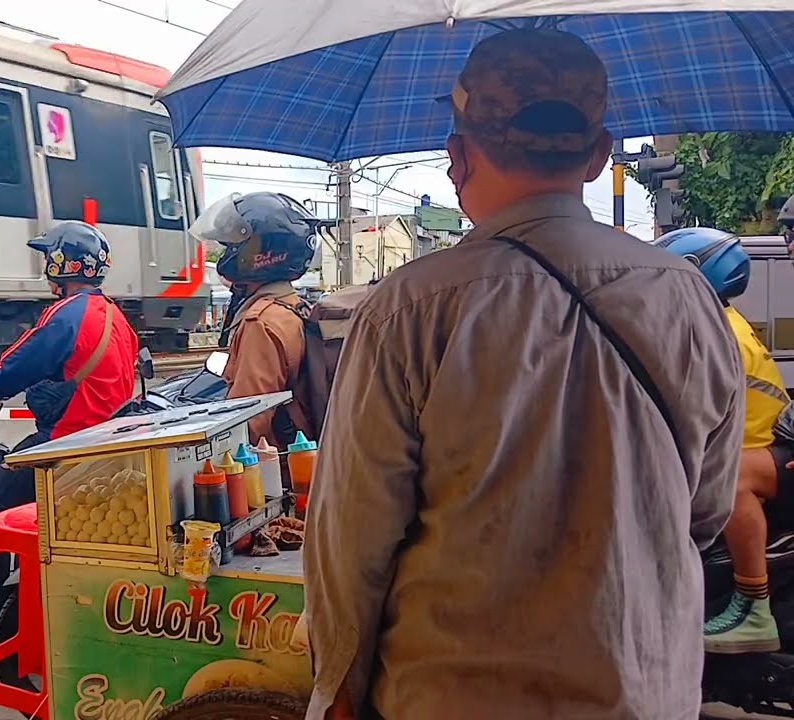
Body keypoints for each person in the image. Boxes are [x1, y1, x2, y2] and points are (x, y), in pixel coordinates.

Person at [304, 29, 743, 720]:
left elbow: (351, 539)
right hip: (643, 690)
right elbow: (706, 509)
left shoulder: (406, 312)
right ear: (598, 157)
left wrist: (337, 689)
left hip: (453, 697)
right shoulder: (687, 295)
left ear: (456, 156)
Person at [0, 221, 138, 667]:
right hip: (106, 440)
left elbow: (14, 369)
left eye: (50, 258)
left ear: (61, 263)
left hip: (66, 443)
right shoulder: (115, 316)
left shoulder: (66, 314)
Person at [658, 227, 792, 653]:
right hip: (764, 441)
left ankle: (753, 606)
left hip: (762, 450)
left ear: (695, 272)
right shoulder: (716, 321)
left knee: (730, 480)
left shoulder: (716, 332)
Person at [190, 191, 318, 445]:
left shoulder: (261, 323)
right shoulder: (296, 307)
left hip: (277, 471)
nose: (229, 252)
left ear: (262, 253)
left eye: (234, 245)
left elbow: (246, 423)